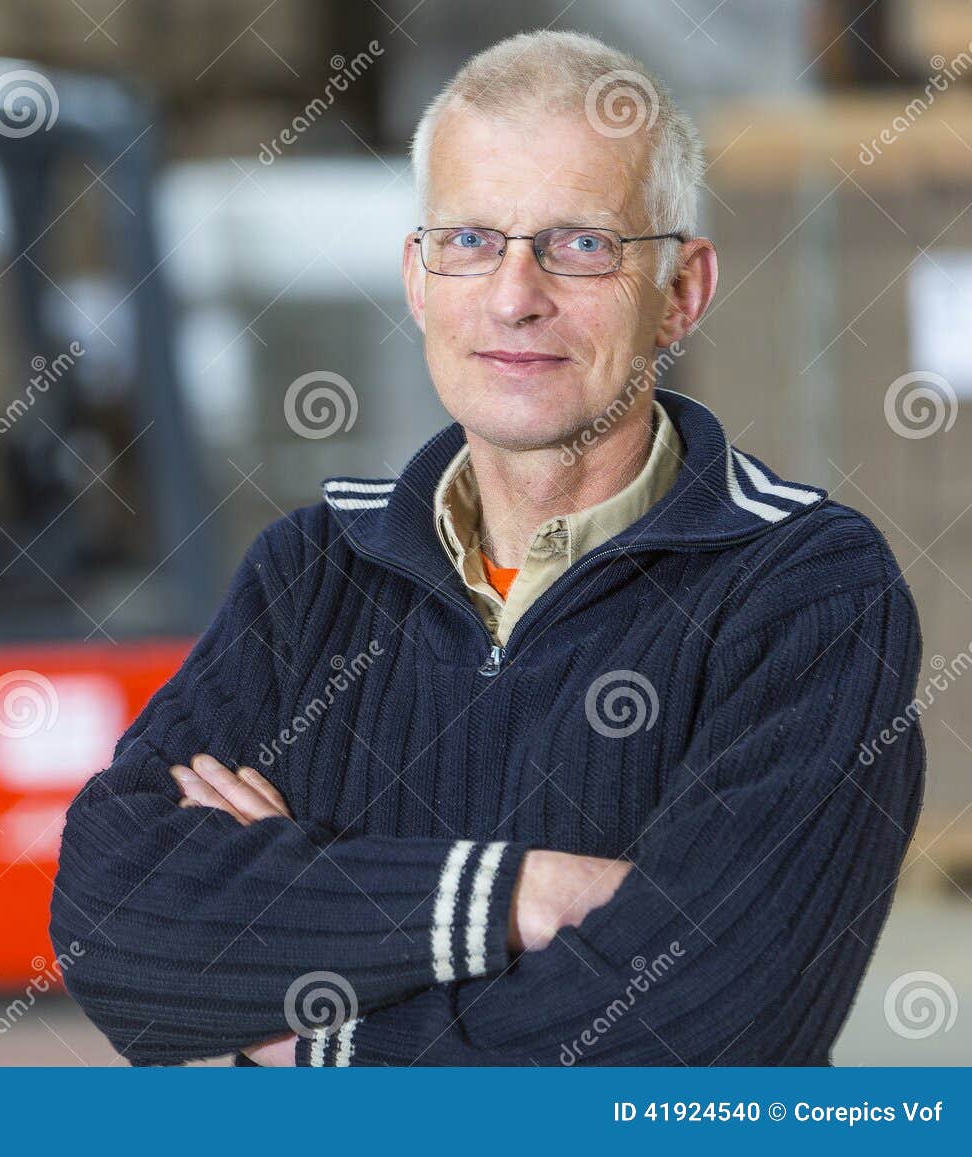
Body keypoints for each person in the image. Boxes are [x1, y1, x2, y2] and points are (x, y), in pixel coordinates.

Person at [48, 29, 926, 1067]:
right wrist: (520, 896)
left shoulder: (805, 592)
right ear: (419, 279)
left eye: (580, 244)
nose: (515, 295)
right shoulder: (313, 570)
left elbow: (706, 1026)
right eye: (469, 240)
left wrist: (319, 1036)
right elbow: (114, 926)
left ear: (681, 292)